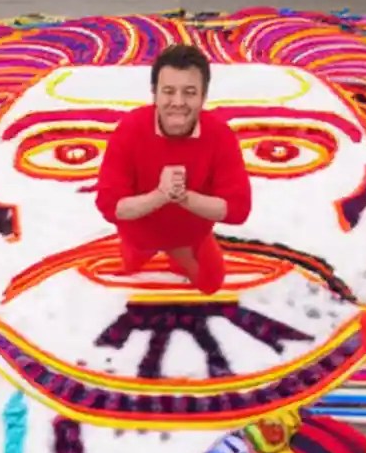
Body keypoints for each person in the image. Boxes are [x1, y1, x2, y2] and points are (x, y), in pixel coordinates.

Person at [94, 44, 253, 295]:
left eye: (189, 92)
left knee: (211, 284)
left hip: (191, 237)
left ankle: (177, 253)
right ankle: (138, 250)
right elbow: (109, 205)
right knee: (131, 265)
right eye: (169, 91)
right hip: (139, 235)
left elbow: (238, 210)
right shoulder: (130, 129)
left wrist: (183, 197)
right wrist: (160, 195)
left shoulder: (220, 135)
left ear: (203, 96)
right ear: (154, 93)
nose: (178, 103)